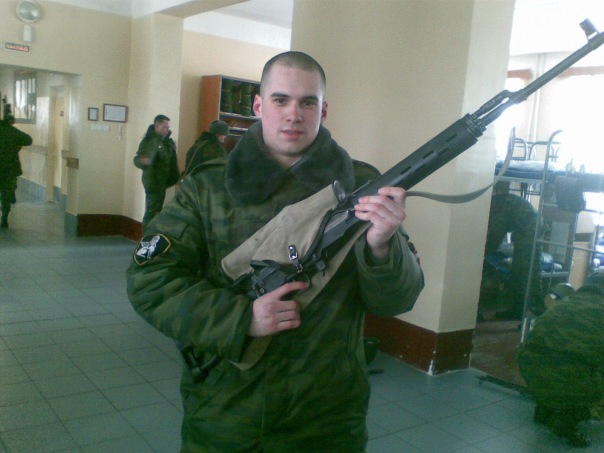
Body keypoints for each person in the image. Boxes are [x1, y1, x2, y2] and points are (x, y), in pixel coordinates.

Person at [127, 51, 424, 452]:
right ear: (258, 106)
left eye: (308, 102)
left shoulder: (362, 187)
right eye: (280, 100)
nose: (294, 115)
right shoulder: (208, 188)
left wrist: (382, 245)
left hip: (328, 417)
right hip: (227, 413)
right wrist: (240, 319)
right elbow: (150, 281)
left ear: (324, 111)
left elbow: (396, 300)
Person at [517, 271, 604, 447]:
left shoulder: (564, 302)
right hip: (565, 376)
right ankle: (566, 419)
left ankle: (546, 406)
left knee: (561, 360)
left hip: (529, 368)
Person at [479, 192, 544, 320]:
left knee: (528, 272)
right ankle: (518, 310)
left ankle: (536, 312)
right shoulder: (497, 202)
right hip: (527, 230)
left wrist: (483, 253)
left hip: (530, 231)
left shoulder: (496, 207)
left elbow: (496, 236)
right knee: (519, 272)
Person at [133, 114, 180, 227]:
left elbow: (170, 161)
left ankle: (152, 234)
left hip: (163, 181)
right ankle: (146, 236)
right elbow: (137, 159)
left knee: (157, 211)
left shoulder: (166, 141)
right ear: (157, 126)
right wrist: (143, 161)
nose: (167, 130)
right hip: (153, 181)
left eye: (168, 127)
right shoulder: (149, 141)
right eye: (165, 127)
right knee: (152, 211)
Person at [0, 113, 32, 228]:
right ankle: (4, 217)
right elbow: (28, 140)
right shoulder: (12, 131)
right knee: (6, 192)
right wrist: (16, 145)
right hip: (9, 168)